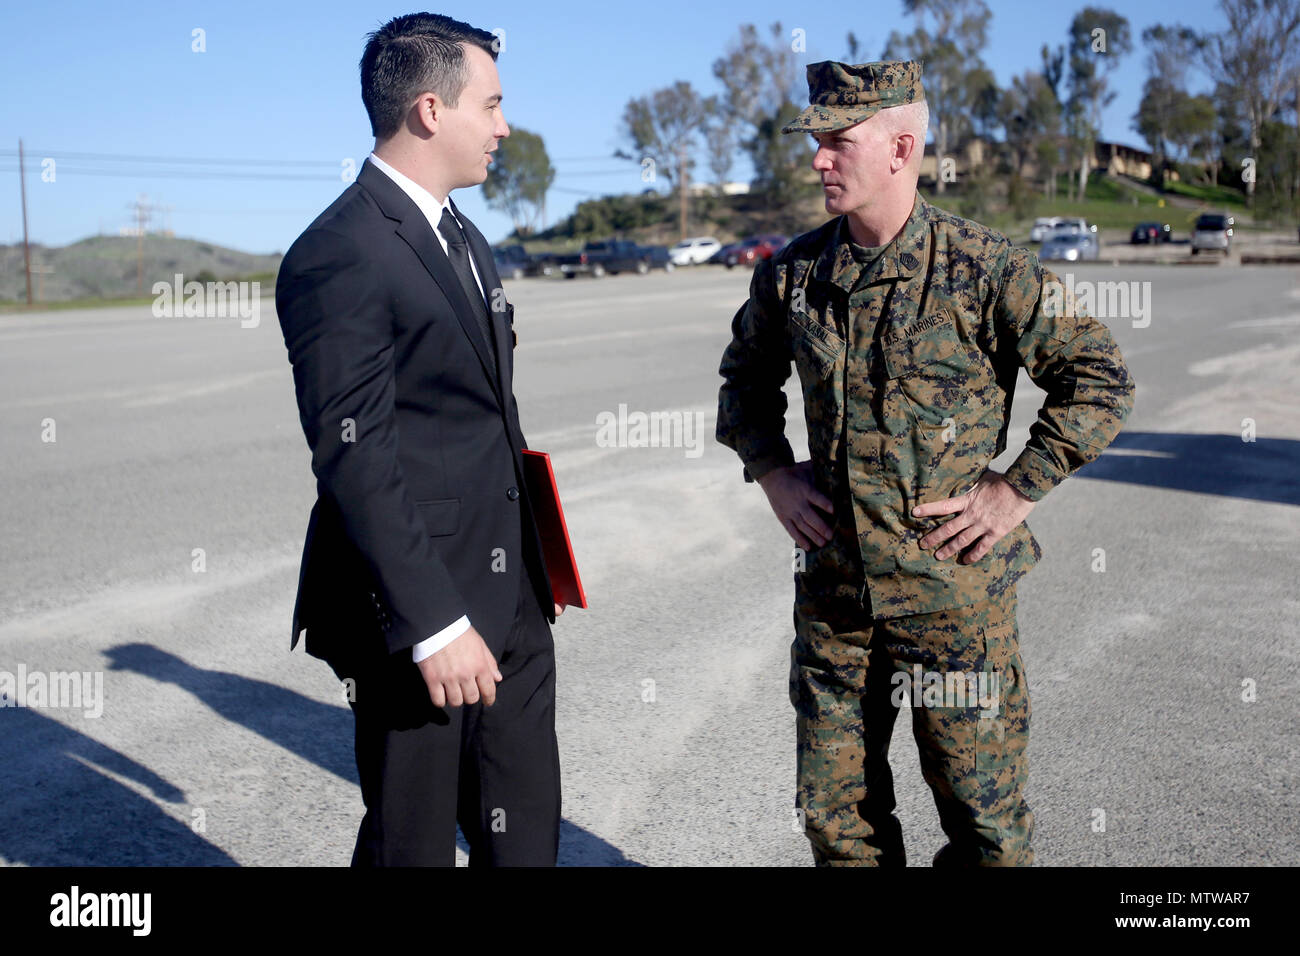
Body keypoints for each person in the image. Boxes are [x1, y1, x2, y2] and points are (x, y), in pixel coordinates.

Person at [716, 60, 1135, 866]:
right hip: (837, 603)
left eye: (838, 142)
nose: (818, 160)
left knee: (984, 830)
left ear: (902, 147)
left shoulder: (987, 269)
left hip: (955, 603)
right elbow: (744, 379)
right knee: (839, 828)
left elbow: (1100, 381)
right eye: (816, 143)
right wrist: (772, 473)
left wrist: (1016, 490)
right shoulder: (794, 276)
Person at [275, 12, 563, 866]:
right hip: (418, 614)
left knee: (526, 827)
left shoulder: (464, 238)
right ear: (431, 110)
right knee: (415, 838)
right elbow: (353, 452)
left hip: (514, 594)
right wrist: (433, 623)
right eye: (493, 105)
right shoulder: (341, 251)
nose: (505, 127)